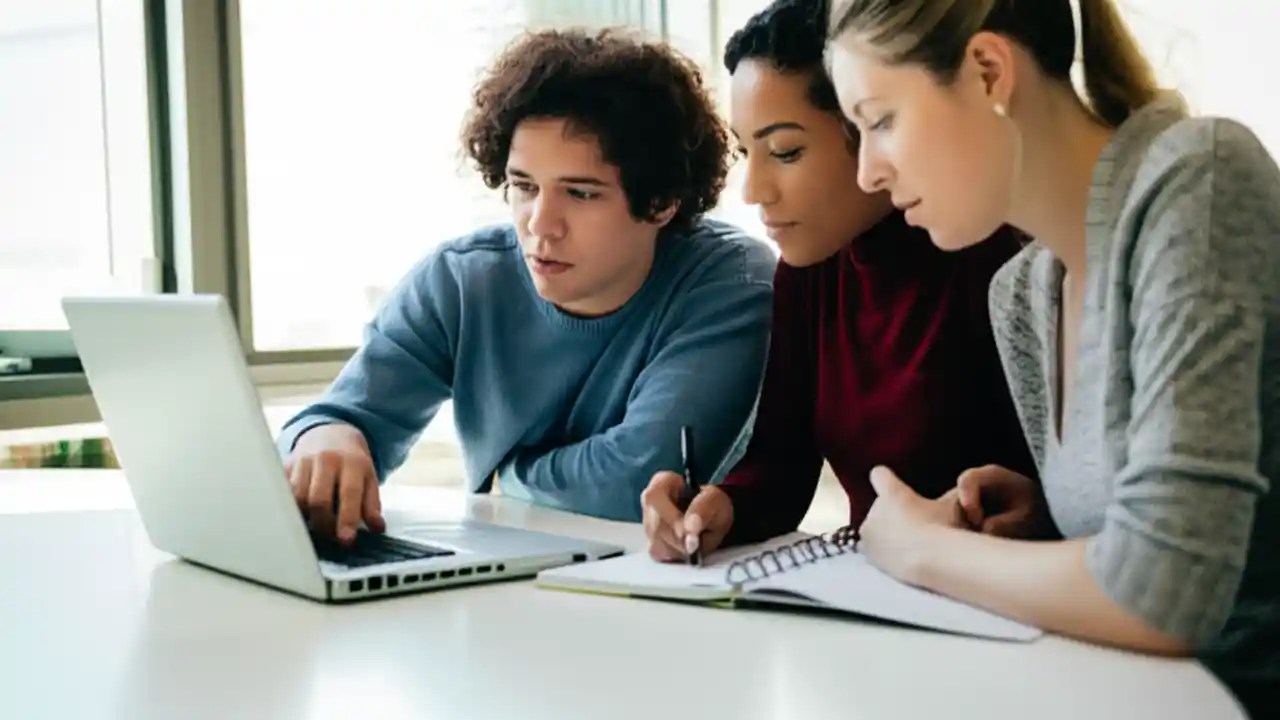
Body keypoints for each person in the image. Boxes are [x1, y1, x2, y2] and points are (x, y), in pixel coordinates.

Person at [823, 0, 1280, 714]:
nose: (866, 173)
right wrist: (1042, 521)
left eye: (880, 120)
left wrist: (920, 550)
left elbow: (1165, 591)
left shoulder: (1201, 182)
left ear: (986, 71)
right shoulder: (1024, 294)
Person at [277, 28, 776, 542]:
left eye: (580, 194)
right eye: (524, 187)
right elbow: (339, 418)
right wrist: (326, 436)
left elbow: (639, 476)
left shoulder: (730, 284)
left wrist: (503, 477)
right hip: (502, 585)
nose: (540, 224)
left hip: (670, 590)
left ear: (662, 202)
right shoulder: (462, 280)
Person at [641, 0, 1036, 563]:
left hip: (1003, 602)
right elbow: (780, 465)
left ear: (871, 120)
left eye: (785, 151)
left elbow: (1067, 502)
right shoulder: (810, 269)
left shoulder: (996, 259)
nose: (754, 190)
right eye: (745, 151)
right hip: (874, 598)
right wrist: (718, 507)